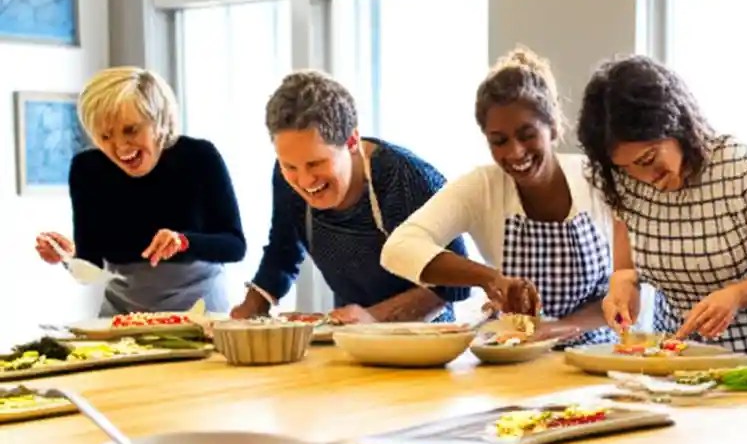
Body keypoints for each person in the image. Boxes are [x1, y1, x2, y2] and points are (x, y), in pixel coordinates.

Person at [577, 54, 747, 357]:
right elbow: (626, 270)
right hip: (674, 353)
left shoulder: (742, 169)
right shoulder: (624, 182)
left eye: (649, 159)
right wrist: (621, 292)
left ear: (675, 125)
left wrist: (736, 295)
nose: (644, 177)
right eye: (626, 167)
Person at [382, 48, 614, 345]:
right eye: (499, 141)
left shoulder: (595, 180)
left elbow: (626, 290)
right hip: (516, 355)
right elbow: (398, 249)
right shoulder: (482, 187)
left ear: (553, 126)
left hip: (596, 356)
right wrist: (490, 279)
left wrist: (562, 327)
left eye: (527, 134)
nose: (514, 152)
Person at [230, 70, 469, 324]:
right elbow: (283, 252)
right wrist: (249, 310)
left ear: (352, 140)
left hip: (423, 343)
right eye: (290, 166)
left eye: (316, 163)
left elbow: (456, 284)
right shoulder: (285, 178)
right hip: (350, 338)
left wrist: (373, 318)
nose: (304, 181)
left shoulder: (405, 177)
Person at [33, 67, 246, 315]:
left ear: (159, 121)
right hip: (123, 315)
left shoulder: (199, 158)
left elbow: (234, 246)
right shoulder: (87, 170)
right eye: (105, 136)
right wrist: (67, 257)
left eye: (131, 130)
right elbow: (90, 265)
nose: (120, 146)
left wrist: (184, 242)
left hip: (201, 311)